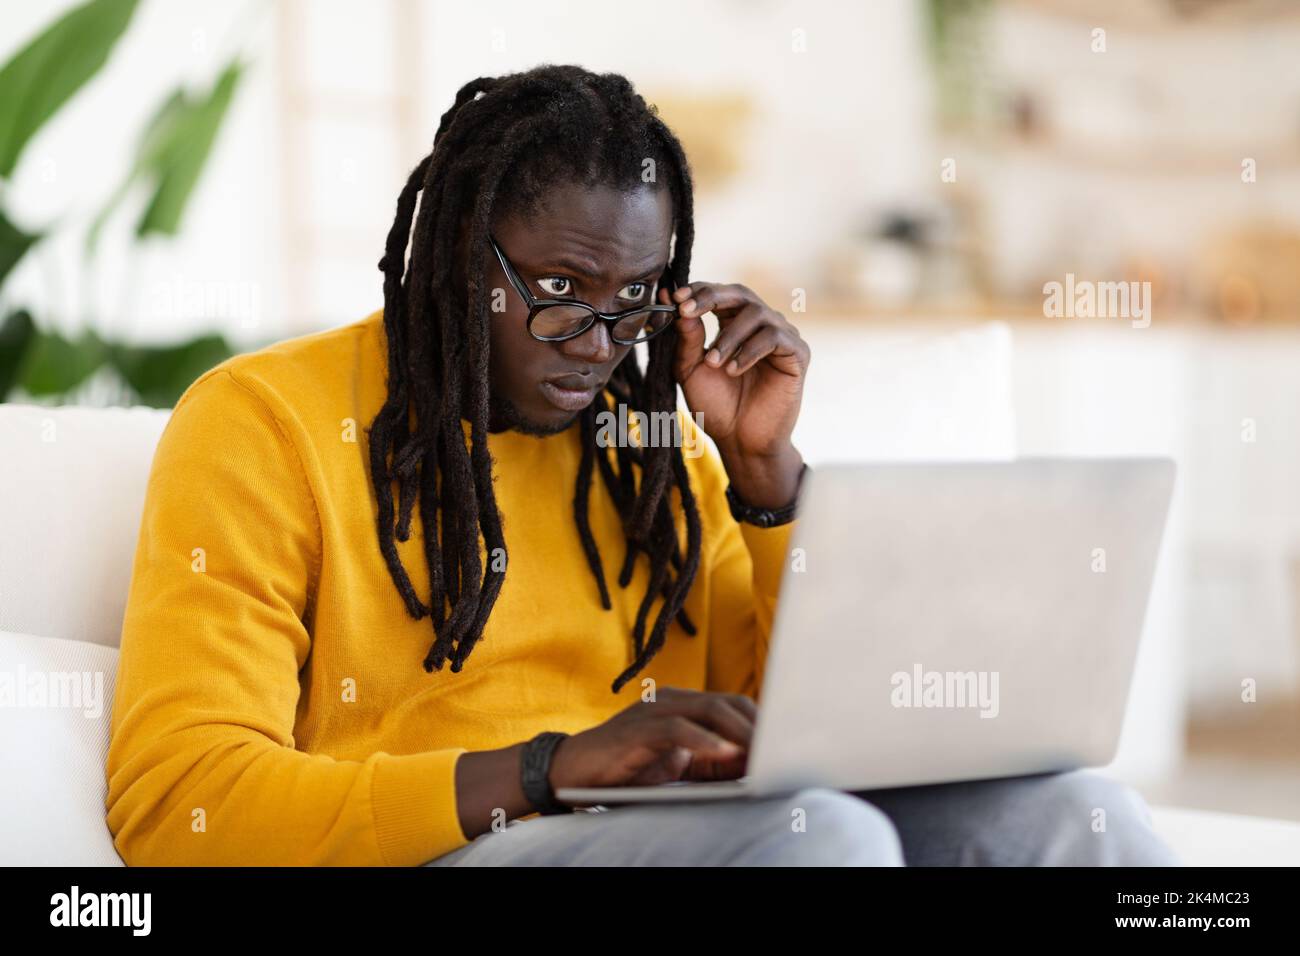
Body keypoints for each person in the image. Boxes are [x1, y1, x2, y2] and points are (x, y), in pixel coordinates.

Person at [106, 64, 1179, 867]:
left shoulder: (652, 448)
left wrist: (766, 476)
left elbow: (785, 726)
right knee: (824, 843)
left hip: (668, 832)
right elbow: (180, 799)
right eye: (563, 289)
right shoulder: (261, 422)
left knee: (1080, 818)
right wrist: (546, 769)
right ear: (455, 256)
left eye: (634, 298)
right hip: (442, 842)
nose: (597, 340)